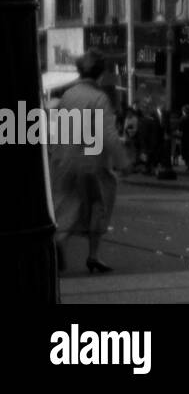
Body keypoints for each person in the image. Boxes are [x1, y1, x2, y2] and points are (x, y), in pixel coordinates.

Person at [51, 51, 129, 274]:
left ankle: (60, 238)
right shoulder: (99, 98)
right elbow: (109, 135)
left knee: (68, 202)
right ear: (101, 74)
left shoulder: (68, 95)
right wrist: (122, 161)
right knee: (98, 205)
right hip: (91, 163)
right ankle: (93, 255)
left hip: (65, 160)